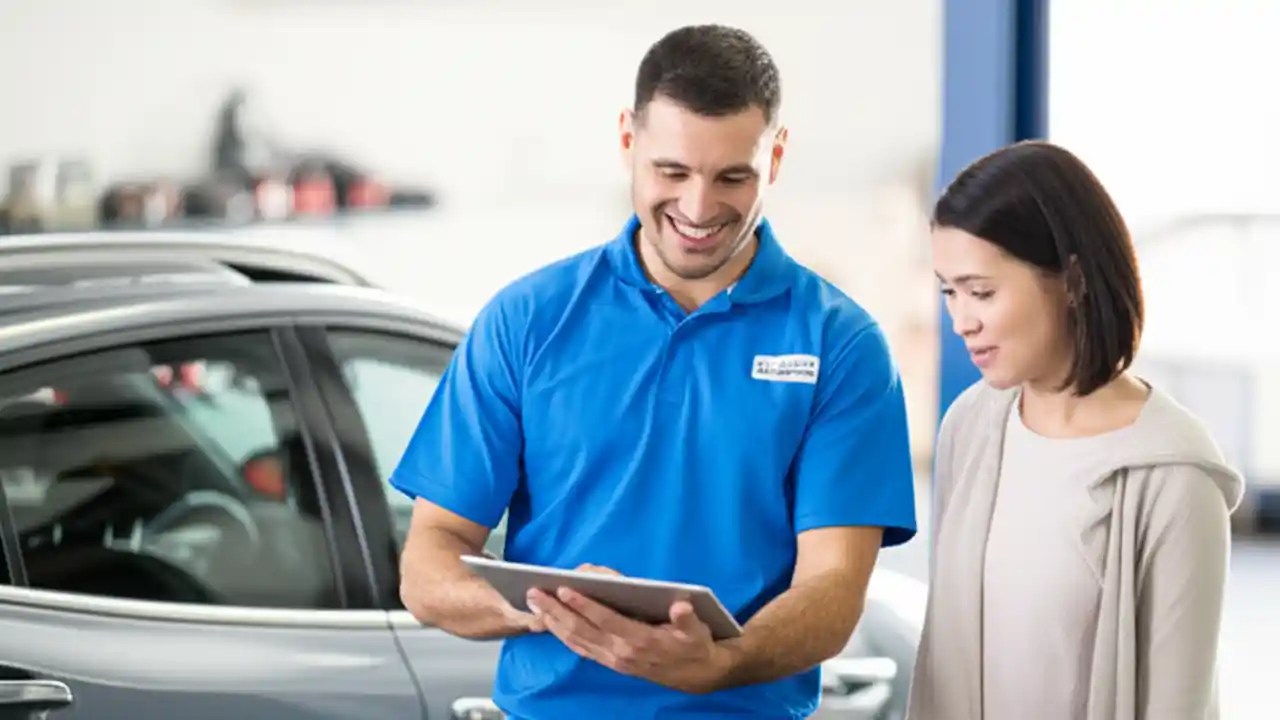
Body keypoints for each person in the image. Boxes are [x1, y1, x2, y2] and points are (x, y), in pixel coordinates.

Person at [393, 23, 918, 719]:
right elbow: (428, 565)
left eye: (733, 176)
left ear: (777, 155)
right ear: (627, 142)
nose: (698, 209)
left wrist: (720, 663)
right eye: (671, 172)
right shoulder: (528, 321)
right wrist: (558, 610)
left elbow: (832, 591)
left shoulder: (841, 345)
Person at [907, 140, 1245, 720]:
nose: (962, 321)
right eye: (949, 292)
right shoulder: (971, 427)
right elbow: (945, 659)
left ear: (1073, 279)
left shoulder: (1173, 477)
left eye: (982, 292)